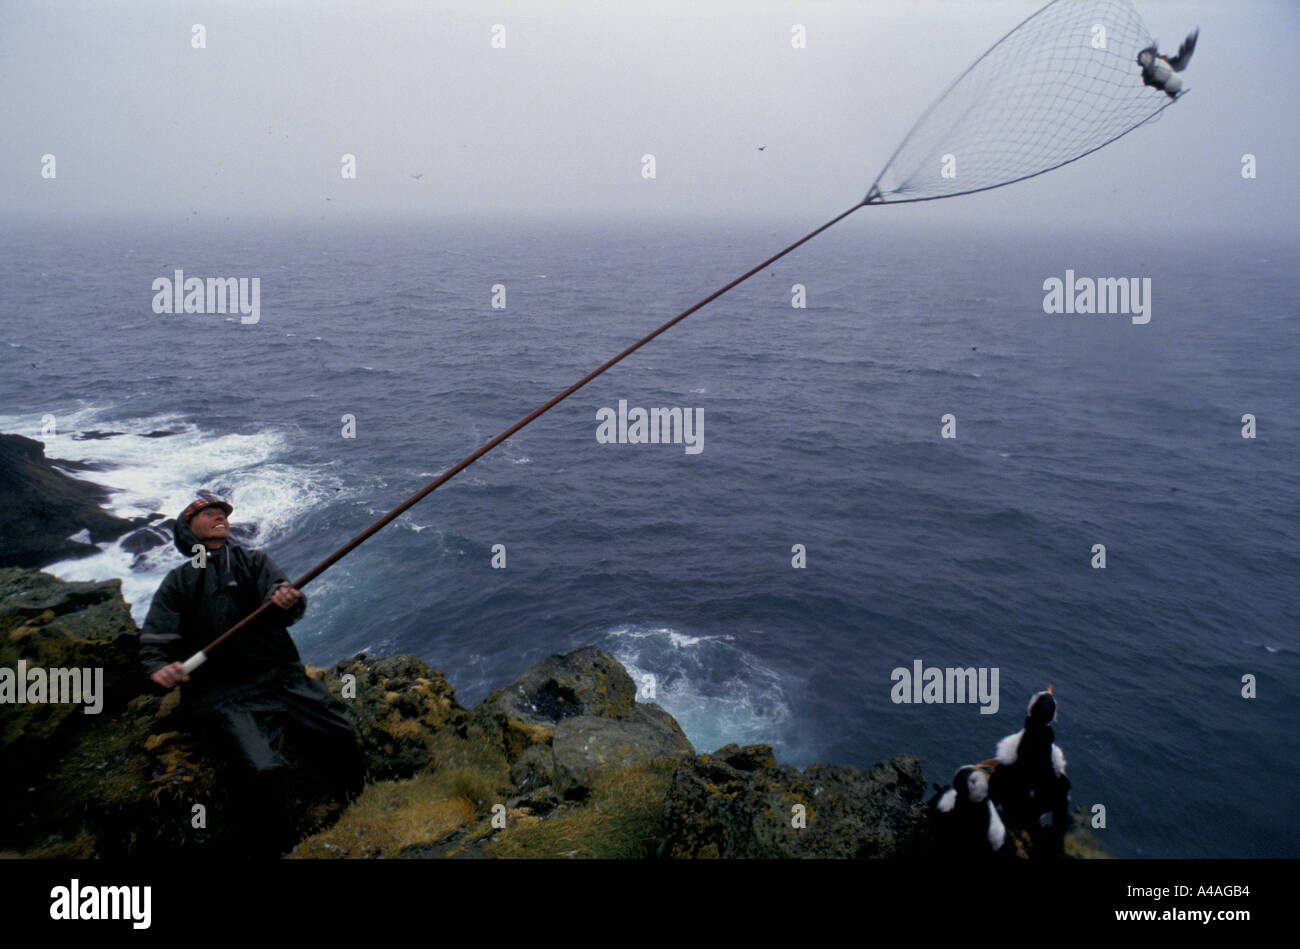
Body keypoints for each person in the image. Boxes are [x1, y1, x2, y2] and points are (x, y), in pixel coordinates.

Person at [138, 493, 364, 856]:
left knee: (340, 729)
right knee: (262, 767)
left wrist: (286, 600)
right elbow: (154, 642)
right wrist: (159, 670)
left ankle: (357, 801)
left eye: (223, 513)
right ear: (187, 530)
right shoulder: (177, 582)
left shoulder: (254, 562)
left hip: (280, 677)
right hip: (221, 694)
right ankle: (281, 846)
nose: (220, 518)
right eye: (209, 514)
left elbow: (285, 599)